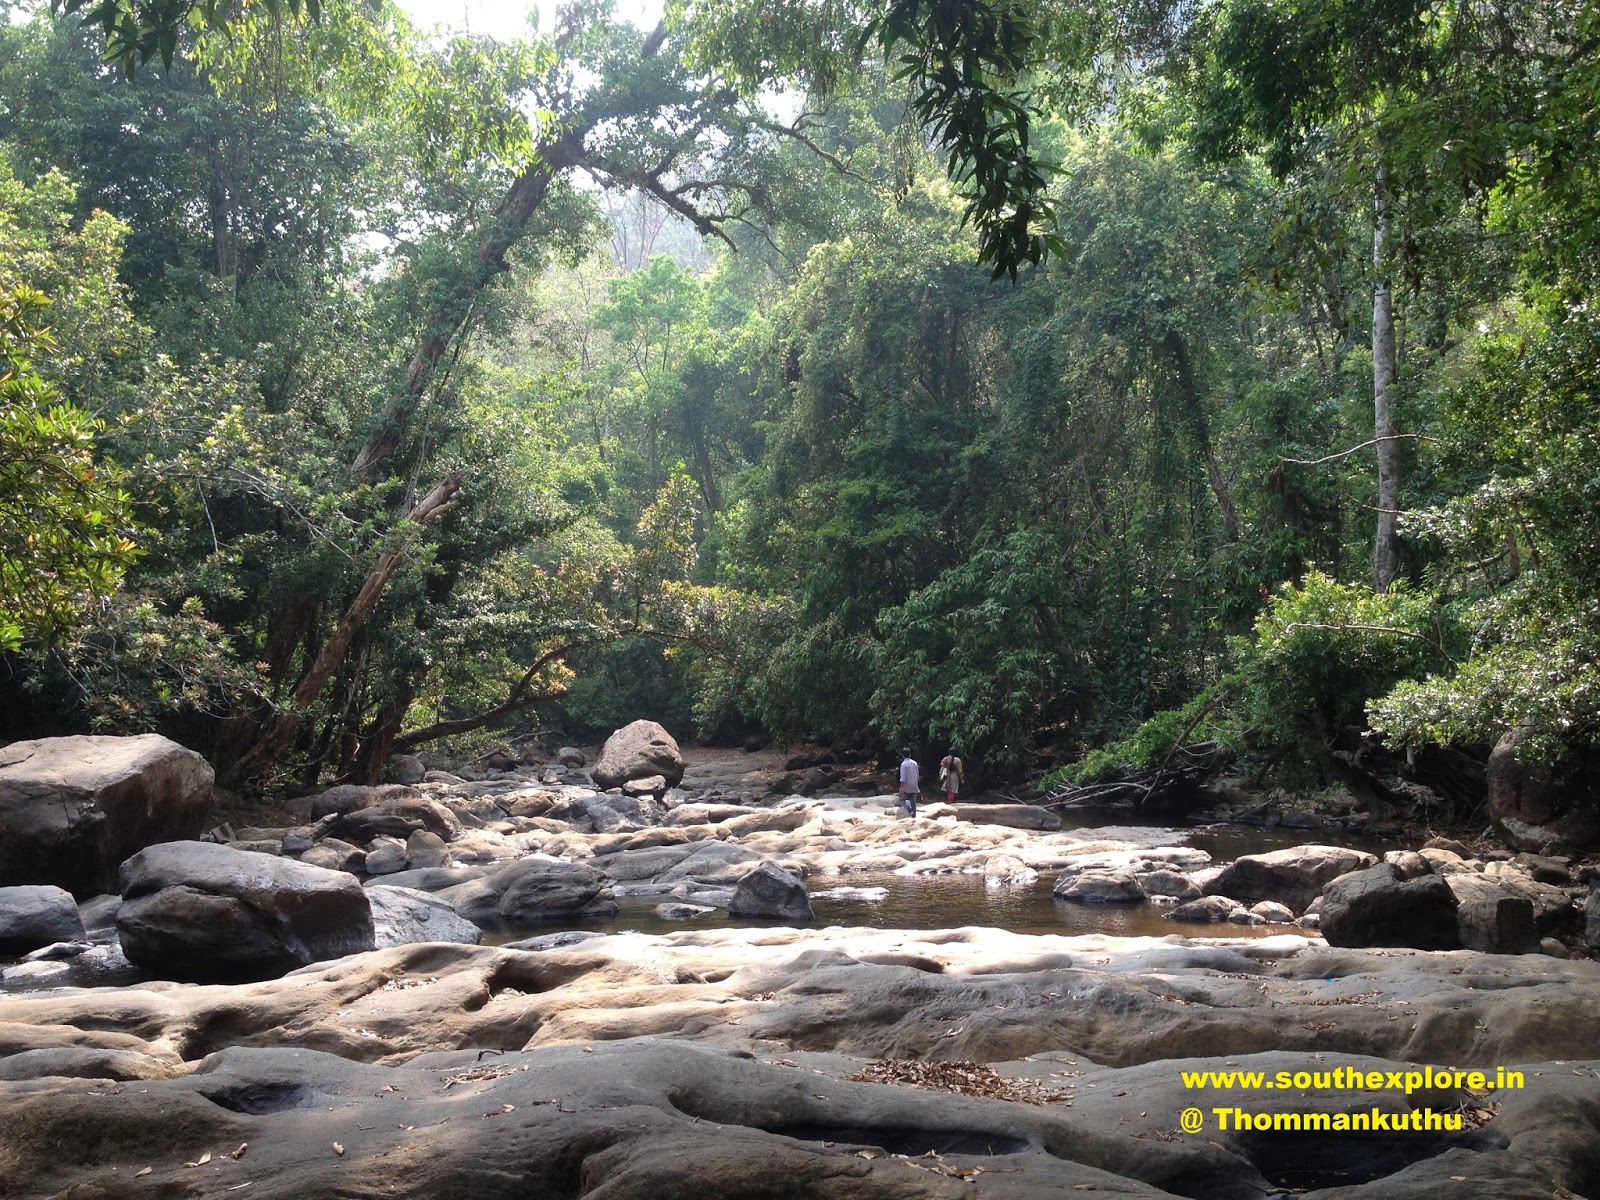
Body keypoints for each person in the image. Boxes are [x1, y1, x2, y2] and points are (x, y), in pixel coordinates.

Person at [897, 747, 920, 817]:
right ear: (910, 754)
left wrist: (901, 789)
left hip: (907, 785)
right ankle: (914, 815)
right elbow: (917, 774)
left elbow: (903, 778)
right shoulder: (914, 763)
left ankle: (909, 809)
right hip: (914, 784)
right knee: (913, 801)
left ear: (902, 755)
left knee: (901, 799)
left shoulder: (903, 764)